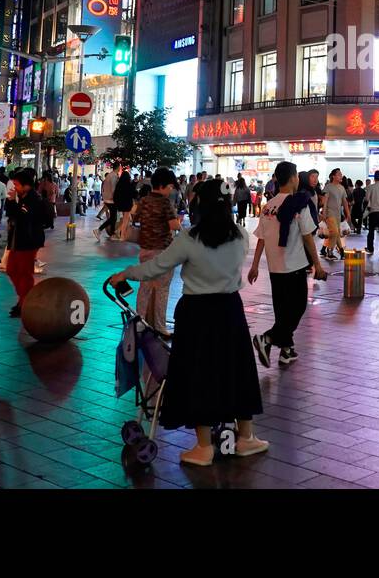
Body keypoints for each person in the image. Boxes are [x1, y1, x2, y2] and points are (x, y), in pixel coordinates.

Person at [109, 179, 266, 467]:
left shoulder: (190, 238)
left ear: (199, 206)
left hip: (197, 313)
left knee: (199, 373)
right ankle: (246, 439)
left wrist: (126, 273)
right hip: (230, 310)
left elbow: (157, 266)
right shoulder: (241, 235)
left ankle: (203, 447)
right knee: (237, 369)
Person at [249, 162, 327, 367]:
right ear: (293, 178)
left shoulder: (268, 206)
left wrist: (255, 265)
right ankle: (266, 338)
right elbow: (308, 237)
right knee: (298, 307)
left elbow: (261, 238)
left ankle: (287, 350)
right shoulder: (298, 203)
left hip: (275, 267)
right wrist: (317, 265)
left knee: (283, 312)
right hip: (294, 266)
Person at [133, 168, 183, 336]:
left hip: (145, 250)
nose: (171, 190)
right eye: (170, 187)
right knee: (162, 289)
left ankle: (140, 322)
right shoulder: (164, 202)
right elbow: (174, 226)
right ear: (163, 186)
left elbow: (136, 218)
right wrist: (179, 223)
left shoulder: (144, 200)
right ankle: (160, 326)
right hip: (162, 252)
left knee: (145, 287)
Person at [2, 169, 52, 317]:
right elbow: (12, 214)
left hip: (29, 241)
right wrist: (11, 201)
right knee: (12, 269)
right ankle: (24, 299)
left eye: (17, 184)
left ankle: (25, 302)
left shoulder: (32, 199)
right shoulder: (22, 197)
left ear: (26, 185)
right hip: (19, 240)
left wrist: (11, 202)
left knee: (24, 272)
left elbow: (22, 217)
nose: (14, 187)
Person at [321, 169, 348, 260]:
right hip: (330, 213)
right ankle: (330, 251)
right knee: (335, 232)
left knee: (336, 233)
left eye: (341, 174)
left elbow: (345, 202)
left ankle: (341, 252)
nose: (341, 176)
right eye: (339, 174)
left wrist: (348, 214)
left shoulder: (342, 188)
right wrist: (324, 213)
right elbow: (325, 201)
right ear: (333, 176)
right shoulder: (328, 187)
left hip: (338, 215)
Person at [98, 164, 119, 239]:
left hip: (108, 199)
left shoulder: (110, 175)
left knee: (114, 217)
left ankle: (112, 234)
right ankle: (99, 230)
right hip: (111, 199)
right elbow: (113, 189)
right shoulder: (113, 176)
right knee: (113, 217)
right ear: (118, 167)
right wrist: (115, 198)